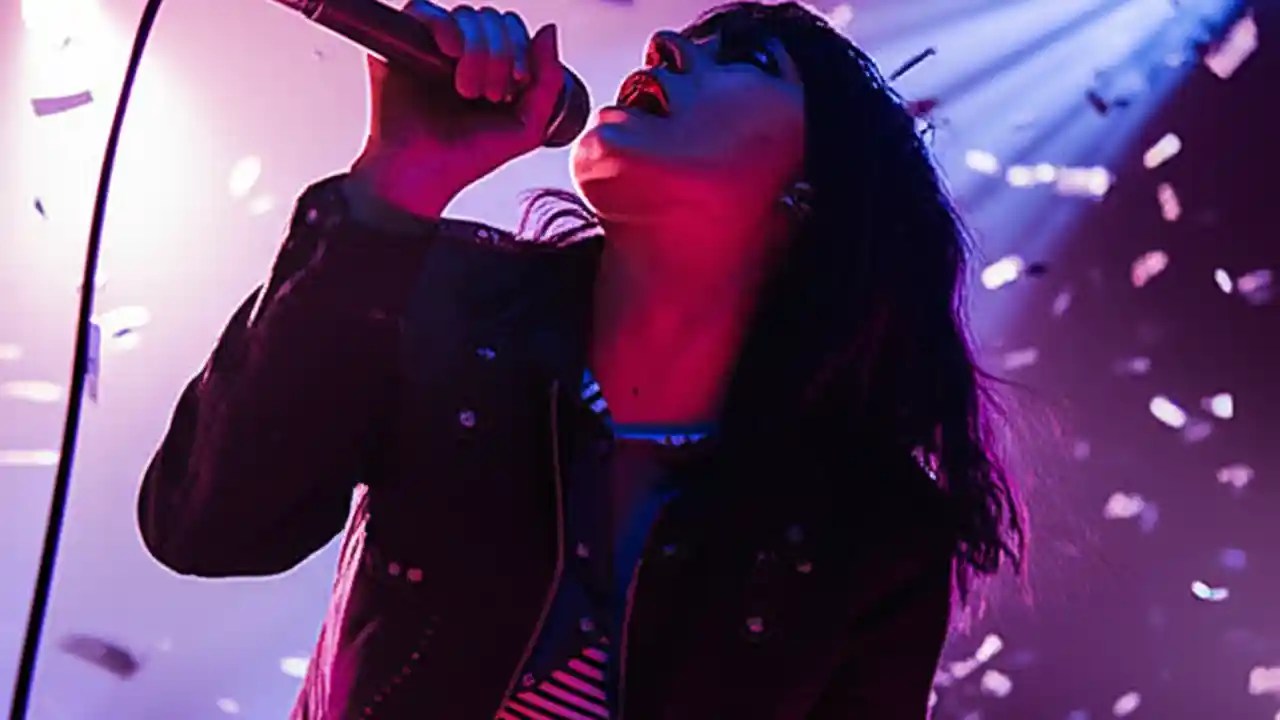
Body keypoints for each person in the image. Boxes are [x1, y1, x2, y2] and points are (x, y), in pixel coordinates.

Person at [137, 1, 1027, 717]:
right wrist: (397, 182)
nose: (668, 43)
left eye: (745, 59)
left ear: (815, 196)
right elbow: (209, 526)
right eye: (691, 31)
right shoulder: (452, 306)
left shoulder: (870, 536)